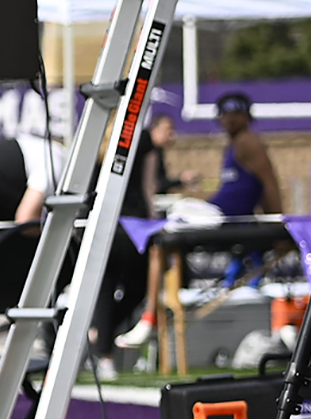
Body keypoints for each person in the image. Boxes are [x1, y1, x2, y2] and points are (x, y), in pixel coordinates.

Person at [118, 94, 283, 349]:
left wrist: (275, 225)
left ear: (246, 115)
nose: (229, 118)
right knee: (165, 229)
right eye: (225, 113)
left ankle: (150, 318)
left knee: (160, 239)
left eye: (235, 113)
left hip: (223, 218)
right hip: (220, 213)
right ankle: (156, 311)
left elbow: (269, 183)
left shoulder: (248, 141)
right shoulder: (235, 144)